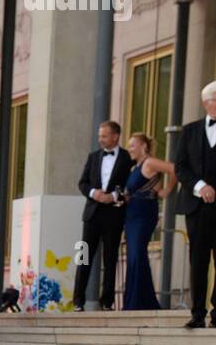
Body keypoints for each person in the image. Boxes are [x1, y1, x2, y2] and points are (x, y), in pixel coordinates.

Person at [72, 120, 133, 311]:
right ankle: (78, 301)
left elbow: (130, 185)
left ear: (115, 136)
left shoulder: (127, 158)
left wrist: (114, 196)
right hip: (91, 215)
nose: (100, 140)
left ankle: (107, 302)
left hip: (114, 215)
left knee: (110, 259)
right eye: (100, 136)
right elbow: (82, 183)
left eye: (104, 136)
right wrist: (94, 193)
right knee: (83, 257)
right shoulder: (93, 157)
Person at [175, 80, 216, 329]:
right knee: (198, 259)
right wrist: (201, 186)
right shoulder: (189, 131)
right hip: (196, 206)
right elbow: (180, 167)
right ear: (207, 103)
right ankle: (198, 313)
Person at [121, 132, 176, 312]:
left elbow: (174, 169)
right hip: (131, 214)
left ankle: (139, 303)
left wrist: (168, 190)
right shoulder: (135, 167)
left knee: (137, 254)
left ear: (143, 146)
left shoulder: (150, 162)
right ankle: (136, 302)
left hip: (144, 214)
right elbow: (153, 187)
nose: (130, 149)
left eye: (133, 145)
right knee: (134, 256)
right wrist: (160, 190)